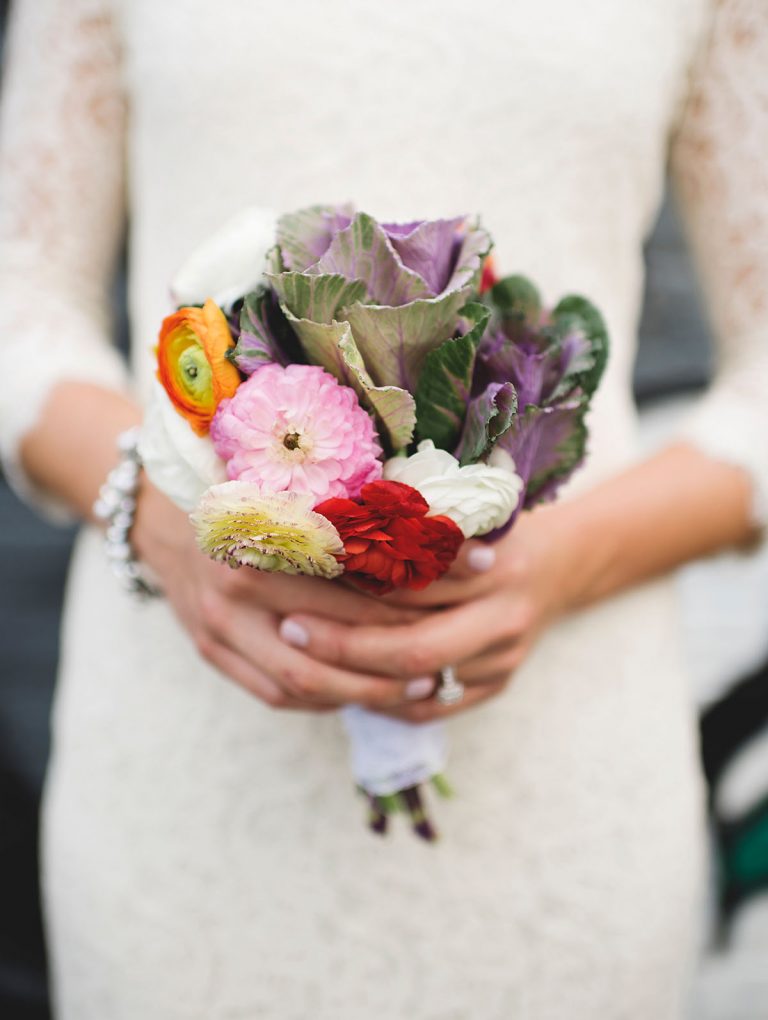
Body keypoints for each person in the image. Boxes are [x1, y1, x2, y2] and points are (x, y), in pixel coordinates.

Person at [0, 0, 766, 1016]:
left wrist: (560, 564)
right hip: (186, 776)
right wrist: (157, 511)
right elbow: (22, 304)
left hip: (564, 771)